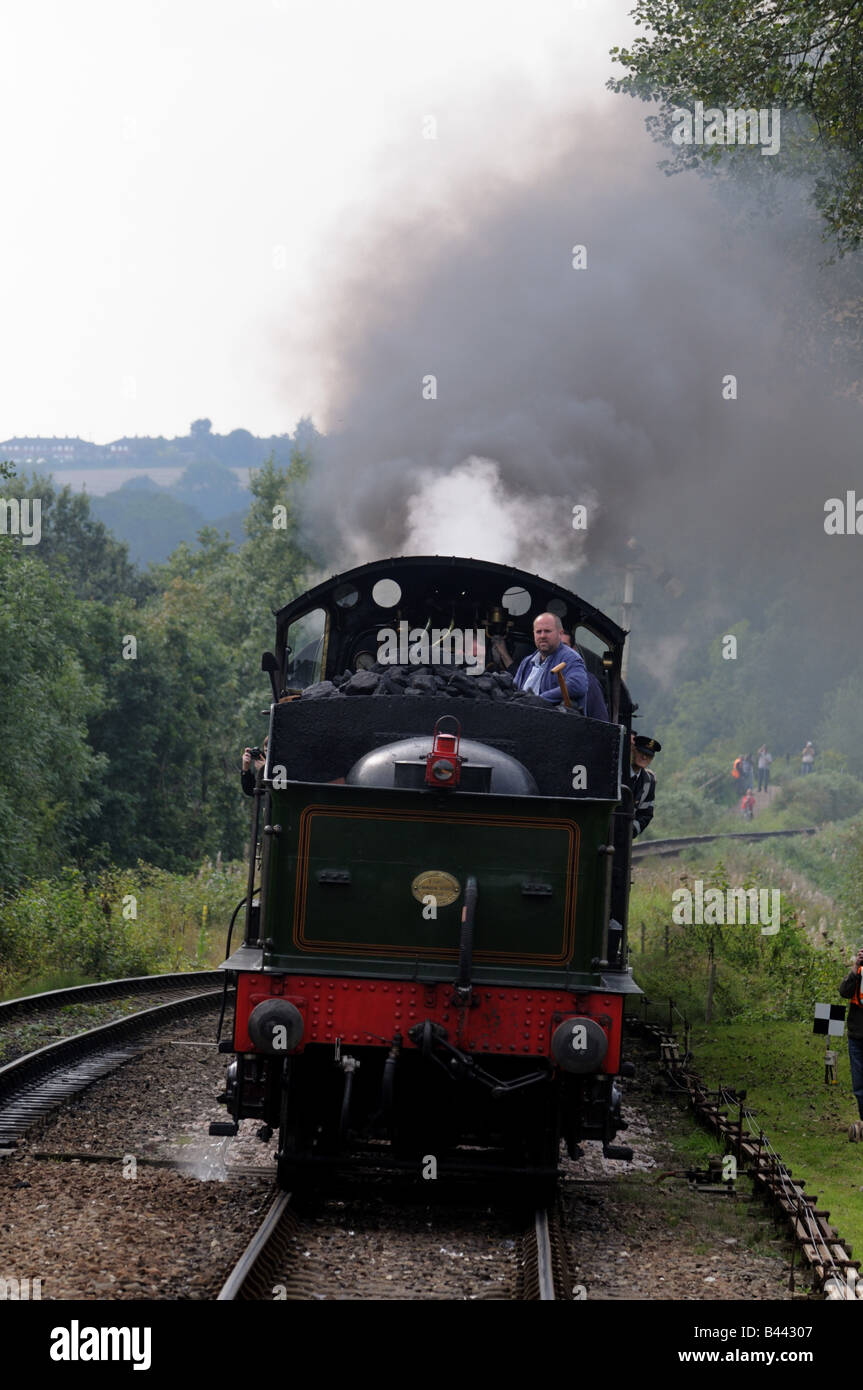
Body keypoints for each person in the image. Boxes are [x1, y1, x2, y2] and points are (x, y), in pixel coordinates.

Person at [512, 613, 588, 708]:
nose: (542, 636)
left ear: (560, 634)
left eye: (547, 631)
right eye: (538, 632)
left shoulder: (570, 658)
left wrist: (539, 700)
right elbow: (514, 689)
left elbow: (577, 685)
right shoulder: (527, 662)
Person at [839, 948, 863, 1138]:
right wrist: (855, 966)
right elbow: (844, 992)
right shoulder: (859, 971)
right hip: (856, 1037)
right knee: (859, 1086)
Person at [561, 630, 610, 720]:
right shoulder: (537, 677)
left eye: (564, 646)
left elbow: (601, 724)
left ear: (573, 650)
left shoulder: (588, 683)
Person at [630, 733, 661, 837]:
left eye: (648, 755)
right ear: (634, 750)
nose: (644, 757)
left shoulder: (649, 781)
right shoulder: (616, 772)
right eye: (641, 752)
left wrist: (631, 831)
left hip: (624, 840)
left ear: (652, 758)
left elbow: (646, 814)